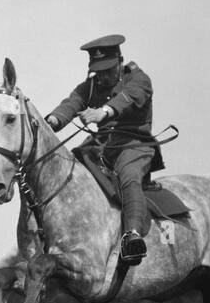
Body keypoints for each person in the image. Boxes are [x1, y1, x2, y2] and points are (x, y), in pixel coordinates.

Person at [44, 34, 156, 266]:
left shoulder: (138, 79)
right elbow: (72, 102)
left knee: (129, 176)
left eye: (108, 70)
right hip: (102, 145)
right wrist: (52, 121)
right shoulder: (92, 85)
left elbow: (128, 98)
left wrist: (102, 112)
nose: (103, 76)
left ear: (120, 61)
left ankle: (132, 236)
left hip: (133, 144)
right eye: (99, 71)